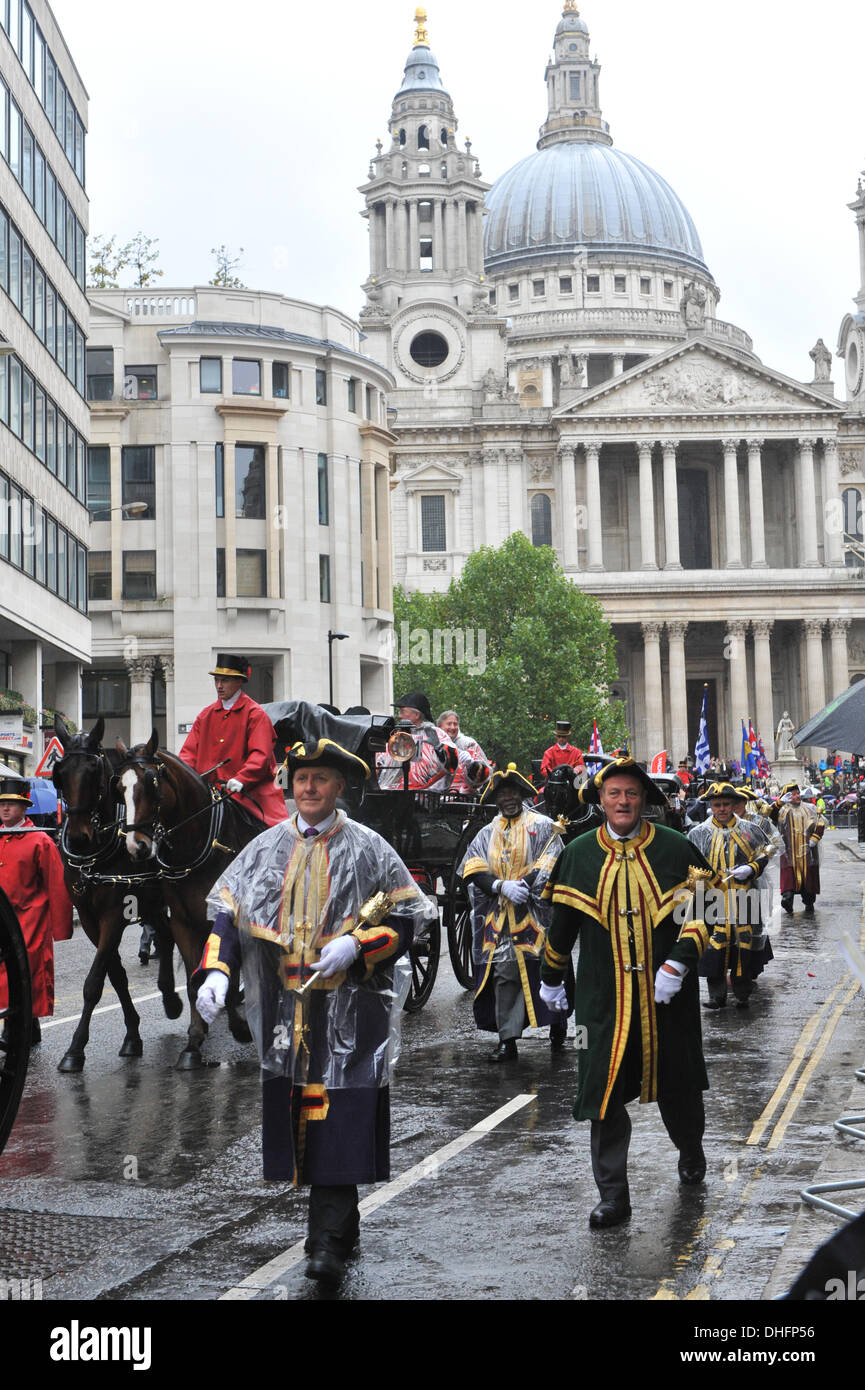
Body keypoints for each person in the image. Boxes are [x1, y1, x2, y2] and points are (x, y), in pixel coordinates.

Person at [193, 738, 435, 1287]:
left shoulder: (370, 847)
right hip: (284, 1009)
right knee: (303, 1116)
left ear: (339, 787)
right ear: (290, 785)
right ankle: (338, 1229)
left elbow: (409, 917)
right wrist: (216, 971)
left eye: (320, 779)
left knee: (341, 1116)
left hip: (351, 1010)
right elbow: (228, 915)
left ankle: (325, 1239)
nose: (308, 788)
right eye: (300, 779)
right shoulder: (264, 847)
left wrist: (359, 947)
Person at [539, 757, 713, 1228]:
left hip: (667, 998)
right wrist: (552, 977)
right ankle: (613, 1195)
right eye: (614, 793)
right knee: (602, 1091)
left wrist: (679, 960)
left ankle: (691, 1150)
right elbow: (563, 925)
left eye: (631, 793)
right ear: (600, 801)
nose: (622, 801)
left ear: (644, 801)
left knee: (679, 1083)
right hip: (602, 1002)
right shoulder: (577, 853)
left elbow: (705, 910)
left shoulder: (676, 849)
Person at [461, 763, 570, 1061]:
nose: (508, 798)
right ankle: (507, 1040)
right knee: (504, 972)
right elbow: (472, 868)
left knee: (548, 968)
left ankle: (557, 1023)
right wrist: (500, 886)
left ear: (522, 794)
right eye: (502, 794)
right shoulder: (486, 833)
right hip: (499, 919)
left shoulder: (544, 825)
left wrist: (526, 884)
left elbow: (552, 859)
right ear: (495, 799)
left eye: (512, 793)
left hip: (538, 916)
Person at [687, 783, 774, 1010]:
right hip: (713, 900)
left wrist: (753, 868)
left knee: (743, 944)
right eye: (717, 805)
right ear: (711, 806)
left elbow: (768, 850)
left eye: (726, 804)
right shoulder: (698, 833)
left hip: (745, 896)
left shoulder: (750, 830)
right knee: (713, 946)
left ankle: (742, 992)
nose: (722, 809)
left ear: (734, 805)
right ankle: (716, 995)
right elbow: (691, 867)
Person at [0, 779, 73, 1046]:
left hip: (29, 919)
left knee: (25, 973)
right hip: (3, 920)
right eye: (2, 804)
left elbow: (57, 884)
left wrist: (61, 927)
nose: (5, 809)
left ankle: (18, 1026)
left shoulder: (39, 841)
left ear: (24, 807)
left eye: (11, 804)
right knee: (5, 975)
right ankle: (23, 1024)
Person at [179, 653, 287, 827]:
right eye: (216, 681)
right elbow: (188, 754)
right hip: (209, 792)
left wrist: (242, 779)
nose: (219, 686)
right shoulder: (205, 715)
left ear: (239, 681)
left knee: (272, 833)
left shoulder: (255, 714)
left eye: (225, 681)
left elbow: (260, 755)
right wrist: (183, 776)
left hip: (249, 793)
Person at [375, 691, 477, 791]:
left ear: (416, 715)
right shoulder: (396, 736)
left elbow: (452, 764)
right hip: (393, 795)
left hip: (425, 799)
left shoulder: (435, 734)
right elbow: (381, 762)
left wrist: (439, 748)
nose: (399, 716)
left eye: (402, 712)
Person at [769, 782, 825, 915]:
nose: (796, 796)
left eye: (797, 793)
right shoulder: (782, 810)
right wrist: (779, 803)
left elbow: (821, 822)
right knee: (789, 878)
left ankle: (809, 902)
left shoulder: (810, 808)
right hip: (789, 852)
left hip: (808, 852)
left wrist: (815, 838)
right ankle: (787, 900)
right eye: (792, 794)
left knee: (809, 879)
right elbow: (770, 816)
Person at [436, 710, 490, 795]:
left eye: (455, 724)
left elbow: (484, 775)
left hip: (463, 799)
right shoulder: (430, 745)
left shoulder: (468, 744)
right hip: (434, 798)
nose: (453, 727)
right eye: (449, 724)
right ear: (439, 727)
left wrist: (472, 766)